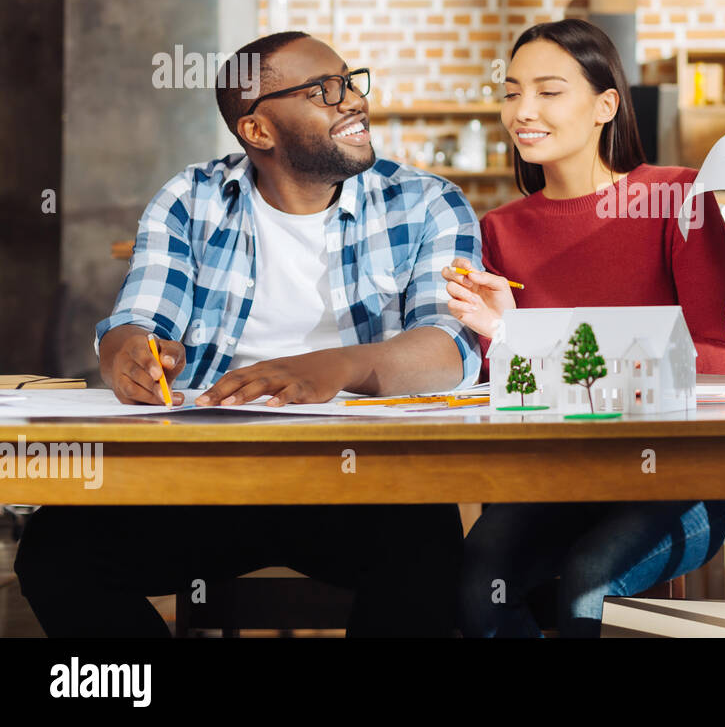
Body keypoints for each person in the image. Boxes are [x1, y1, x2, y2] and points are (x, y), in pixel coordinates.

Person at [14, 31, 480, 637]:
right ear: (258, 131)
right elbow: (137, 325)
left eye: (350, 81)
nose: (353, 101)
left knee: (430, 557)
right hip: (210, 477)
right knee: (56, 554)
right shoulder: (192, 199)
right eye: (324, 91)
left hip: (366, 481)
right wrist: (129, 354)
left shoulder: (426, 203)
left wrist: (333, 368)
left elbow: (449, 350)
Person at [444, 18, 725, 637]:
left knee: (588, 579)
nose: (524, 110)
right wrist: (505, 334)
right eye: (512, 92)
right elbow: (503, 388)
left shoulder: (679, 198)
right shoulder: (500, 230)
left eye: (549, 91)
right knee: (473, 581)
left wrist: (531, 341)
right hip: (552, 480)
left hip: (675, 483)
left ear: (606, 105)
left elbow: (713, 359)